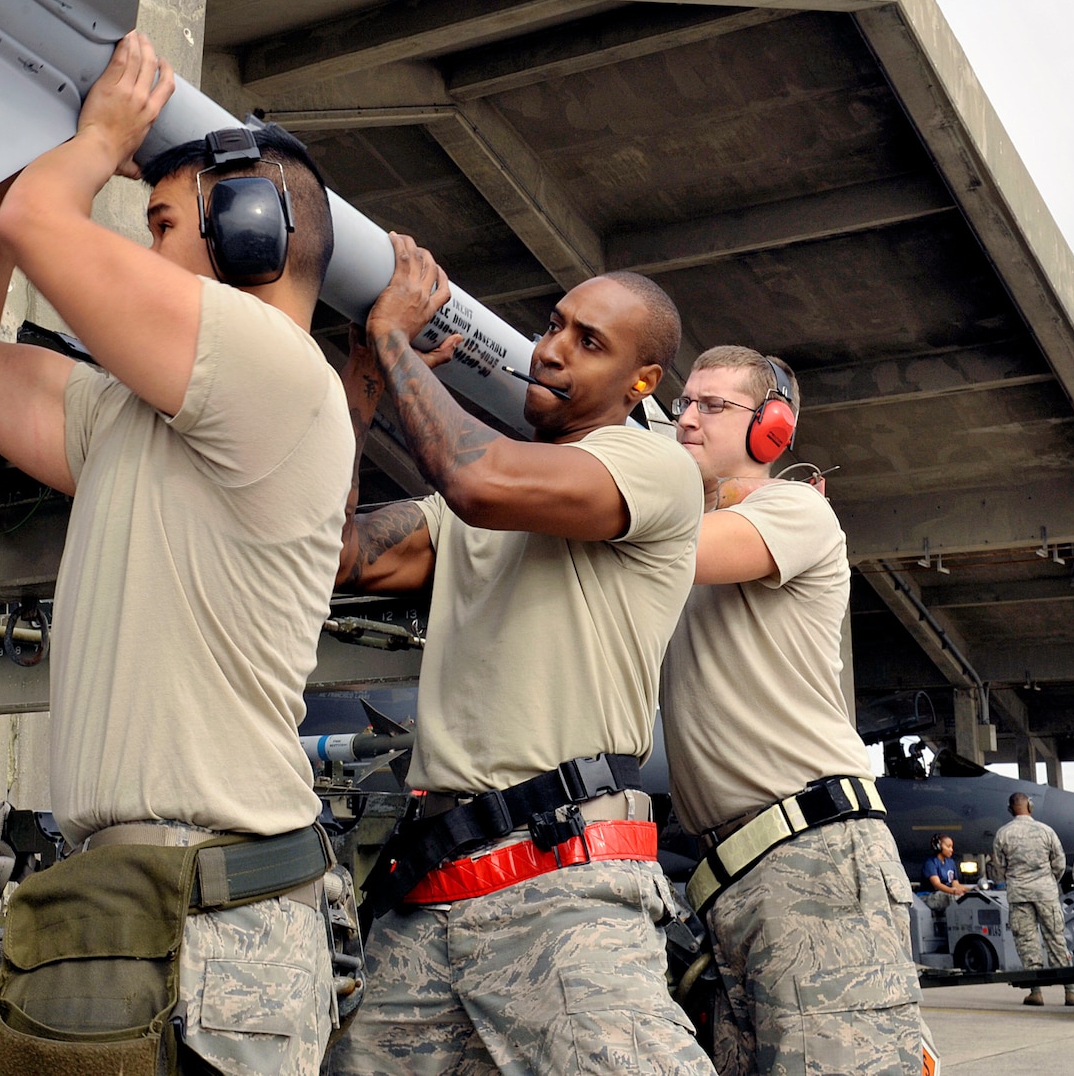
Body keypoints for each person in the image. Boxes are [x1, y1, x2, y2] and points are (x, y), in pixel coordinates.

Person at [0, 33, 354, 1075]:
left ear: (251, 234)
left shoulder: (272, 365)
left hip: (213, 928)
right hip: (134, 909)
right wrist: (17, 164)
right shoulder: (128, 414)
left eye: (160, 224)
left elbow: (36, 224)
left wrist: (87, 138)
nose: (144, 254)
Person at [325, 241, 712, 1076]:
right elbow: (332, 550)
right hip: (430, 896)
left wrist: (393, 339)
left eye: (590, 342)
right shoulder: (470, 509)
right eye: (554, 325)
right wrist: (361, 381)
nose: (552, 348)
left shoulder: (654, 469)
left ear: (643, 382)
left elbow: (480, 477)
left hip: (565, 893)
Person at [661, 346, 929, 1076]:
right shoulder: (685, 528)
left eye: (711, 406)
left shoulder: (793, 508)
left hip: (812, 854)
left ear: (771, 429)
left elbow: (671, 546)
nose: (687, 419)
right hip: (732, 873)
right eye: (682, 402)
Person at [988, 792, 1074, 1007]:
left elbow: (999, 867)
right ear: (1029, 806)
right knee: (1056, 938)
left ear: (1010, 809)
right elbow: (1059, 862)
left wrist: (1015, 880)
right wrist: (1048, 881)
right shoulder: (1046, 831)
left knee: (1026, 941)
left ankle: (1036, 992)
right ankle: (1070, 991)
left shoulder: (1003, 834)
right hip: (1046, 893)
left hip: (1019, 894)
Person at [923, 835, 967, 913]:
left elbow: (955, 884)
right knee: (954, 897)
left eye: (952, 847)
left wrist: (970, 889)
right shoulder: (931, 863)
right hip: (930, 895)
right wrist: (952, 891)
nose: (951, 850)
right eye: (948, 846)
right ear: (939, 846)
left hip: (948, 892)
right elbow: (937, 884)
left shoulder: (951, 862)